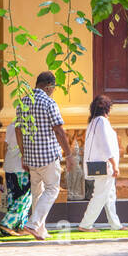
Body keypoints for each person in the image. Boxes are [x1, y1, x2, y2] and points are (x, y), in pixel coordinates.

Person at [15, 71, 76, 241]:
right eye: (53, 88)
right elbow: (59, 130)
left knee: (37, 192)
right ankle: (33, 224)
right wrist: (69, 154)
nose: (52, 91)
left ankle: (40, 230)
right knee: (51, 189)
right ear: (49, 86)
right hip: (48, 156)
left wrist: (23, 154)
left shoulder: (23, 102)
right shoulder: (49, 102)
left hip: (31, 157)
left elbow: (18, 130)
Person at [78, 94, 128, 232]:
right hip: (106, 165)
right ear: (107, 109)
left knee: (110, 195)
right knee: (100, 195)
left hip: (101, 165)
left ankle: (115, 224)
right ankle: (85, 224)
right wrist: (114, 164)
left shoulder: (94, 121)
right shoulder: (101, 122)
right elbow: (106, 145)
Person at [0, 128, 32, 236]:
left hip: (10, 165)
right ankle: (8, 223)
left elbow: (5, 145)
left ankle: (19, 226)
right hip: (20, 166)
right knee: (25, 197)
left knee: (13, 197)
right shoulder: (27, 125)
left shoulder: (11, 125)